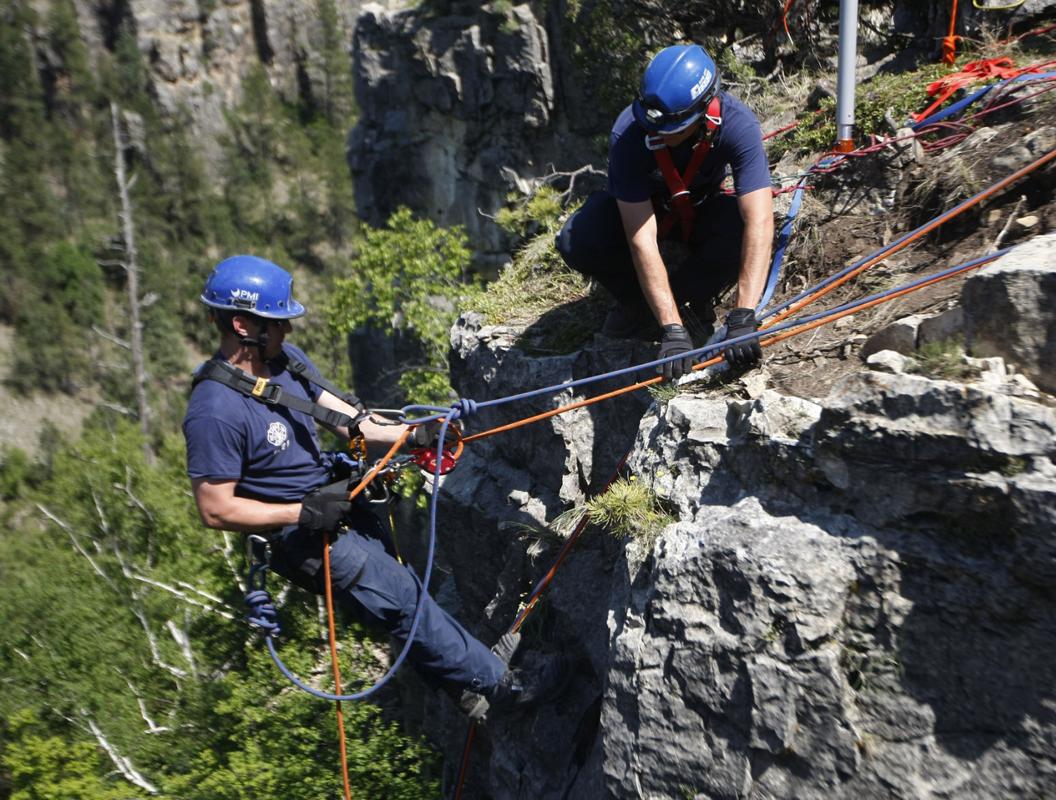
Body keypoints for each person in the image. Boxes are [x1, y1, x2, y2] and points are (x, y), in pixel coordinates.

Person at [183, 254, 566, 719]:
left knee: (402, 597)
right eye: (277, 323)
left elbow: (348, 421)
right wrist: (299, 514)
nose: (288, 331)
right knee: (402, 599)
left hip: (334, 501)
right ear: (243, 325)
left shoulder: (285, 363)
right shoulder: (214, 410)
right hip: (303, 536)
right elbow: (215, 509)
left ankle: (464, 690)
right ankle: (506, 689)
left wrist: (413, 432)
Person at [555, 43, 773, 379]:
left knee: (736, 228)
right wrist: (671, 329)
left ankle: (693, 298)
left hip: (701, 210)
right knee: (578, 238)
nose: (656, 133)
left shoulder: (738, 125)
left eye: (670, 130)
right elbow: (641, 239)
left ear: (703, 111)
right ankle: (637, 304)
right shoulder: (629, 133)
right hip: (647, 212)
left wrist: (744, 315)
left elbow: (760, 219)